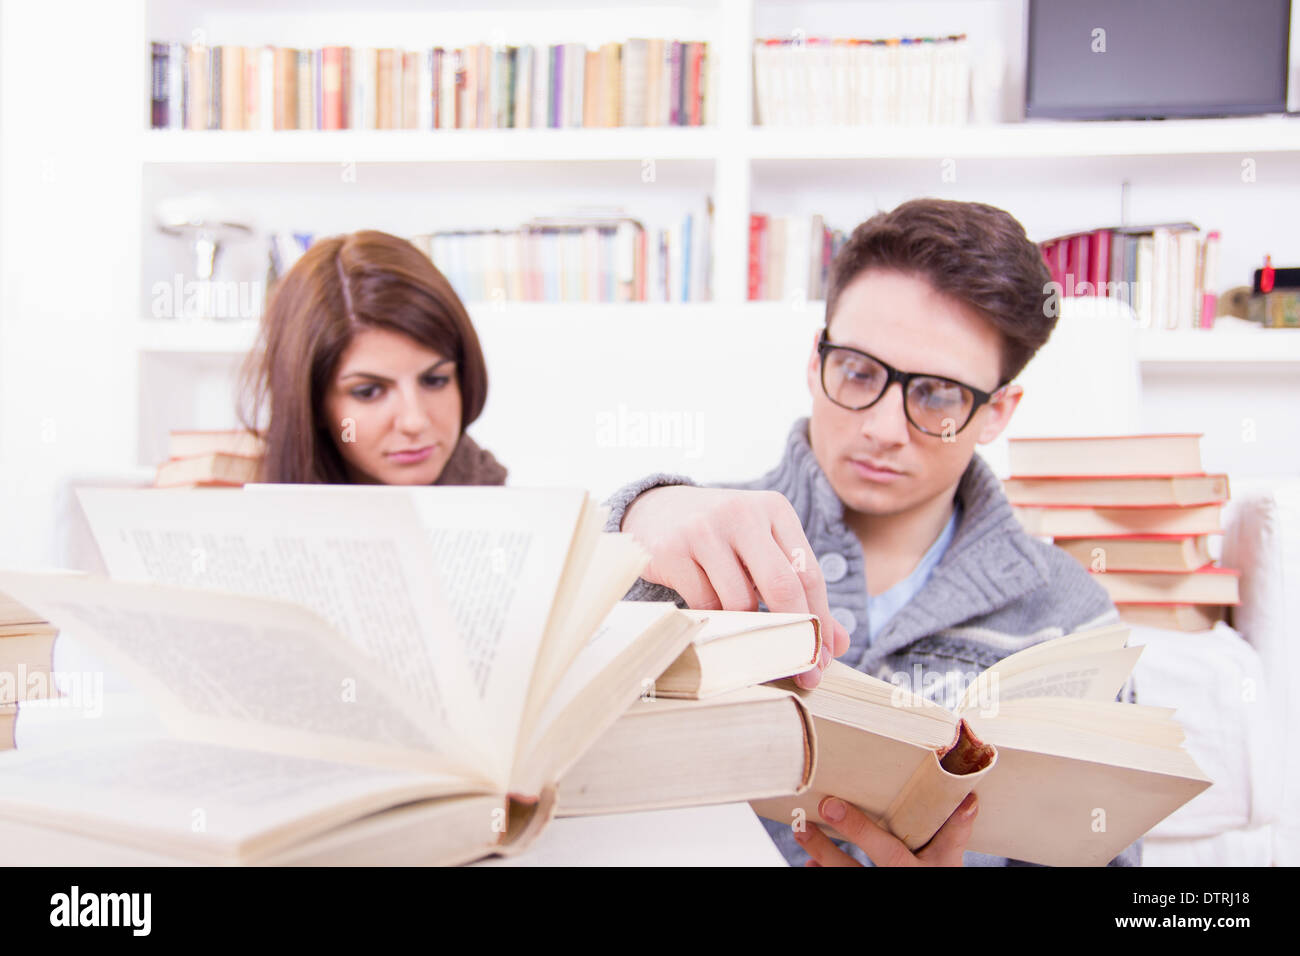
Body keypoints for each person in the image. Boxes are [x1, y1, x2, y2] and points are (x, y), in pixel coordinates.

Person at [603, 198, 1138, 867]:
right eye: (858, 371)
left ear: (998, 412)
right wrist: (630, 521)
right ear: (815, 360)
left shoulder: (1069, 615)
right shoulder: (692, 536)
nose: (883, 429)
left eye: (937, 394)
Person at [238, 229, 506, 486]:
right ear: (314, 404)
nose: (414, 421)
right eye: (368, 392)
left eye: (435, 380)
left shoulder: (498, 506)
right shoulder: (246, 509)